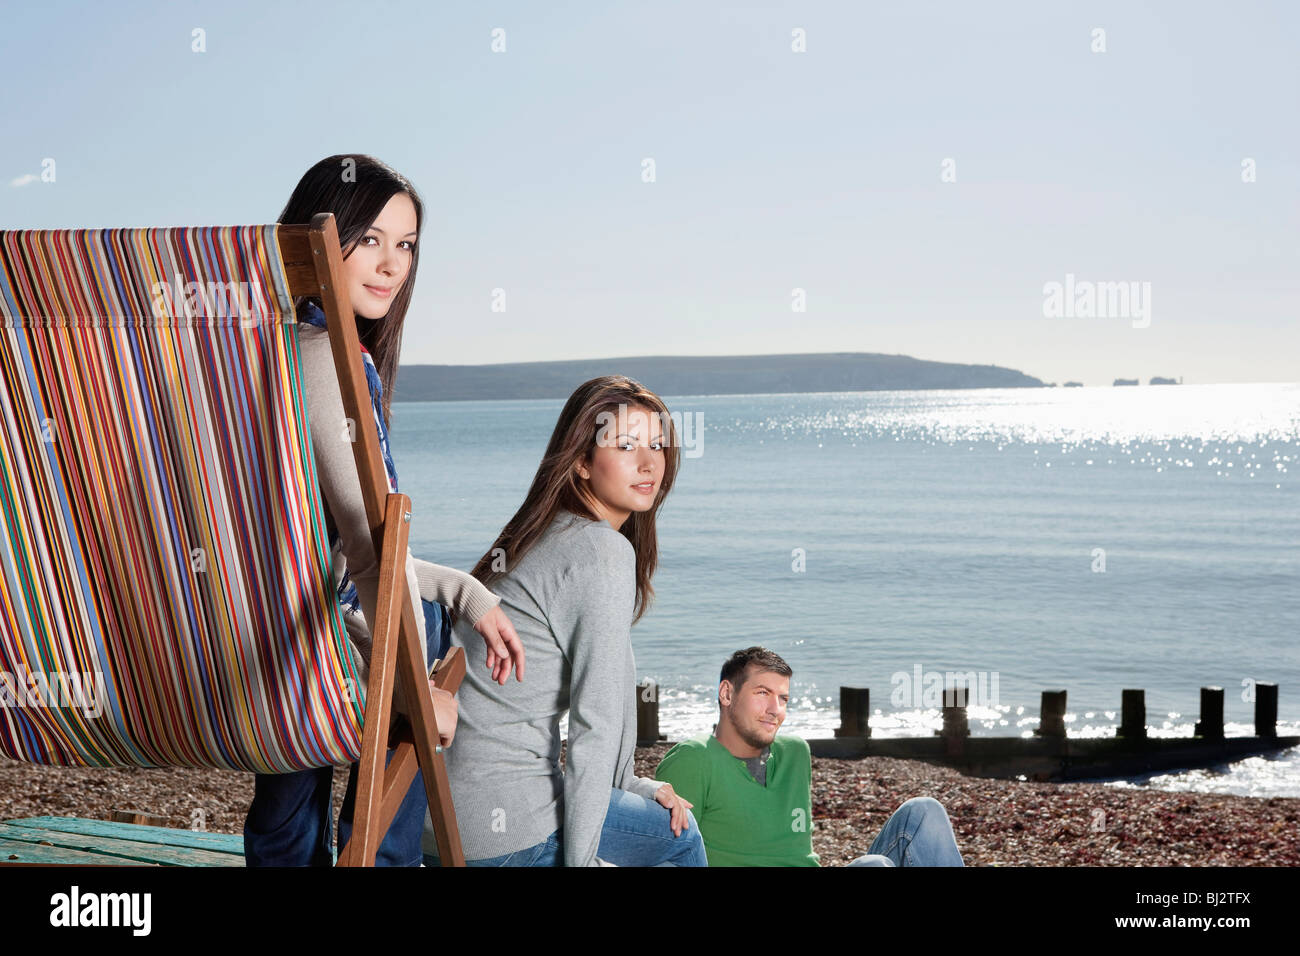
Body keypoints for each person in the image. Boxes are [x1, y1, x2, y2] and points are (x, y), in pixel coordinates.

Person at [243, 154, 526, 867]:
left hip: (236, 649)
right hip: (305, 656)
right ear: (310, 240)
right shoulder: (326, 360)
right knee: (417, 648)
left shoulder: (243, 360)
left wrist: (467, 589)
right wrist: (411, 688)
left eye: (405, 245)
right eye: (368, 238)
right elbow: (369, 555)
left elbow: (322, 551)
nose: (391, 264)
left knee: (288, 815)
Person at [422, 378, 706, 867]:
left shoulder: (533, 537)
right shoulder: (600, 552)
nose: (649, 462)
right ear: (580, 461)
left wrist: (634, 785)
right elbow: (592, 731)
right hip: (504, 830)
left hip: (434, 818)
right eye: (626, 445)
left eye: (657, 444)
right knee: (679, 836)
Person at [655, 646, 964, 867]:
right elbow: (659, 853)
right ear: (727, 694)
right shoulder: (692, 760)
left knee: (924, 812)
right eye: (762, 693)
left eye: (783, 698)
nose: (775, 709)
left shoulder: (795, 753)